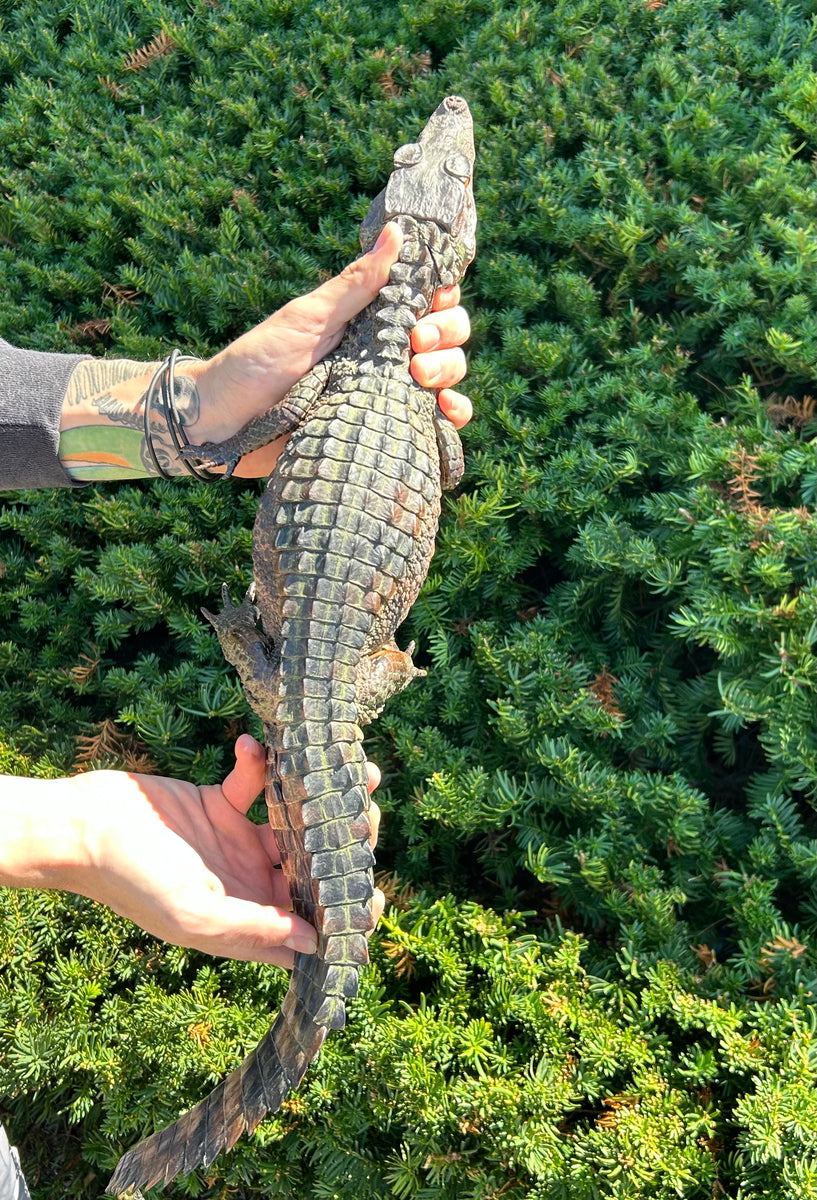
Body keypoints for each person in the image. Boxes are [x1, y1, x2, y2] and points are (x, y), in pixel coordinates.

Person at [0, 220, 471, 1194]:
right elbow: (449, 469)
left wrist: (71, 827)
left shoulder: (335, 377)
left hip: (315, 650)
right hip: (323, 655)